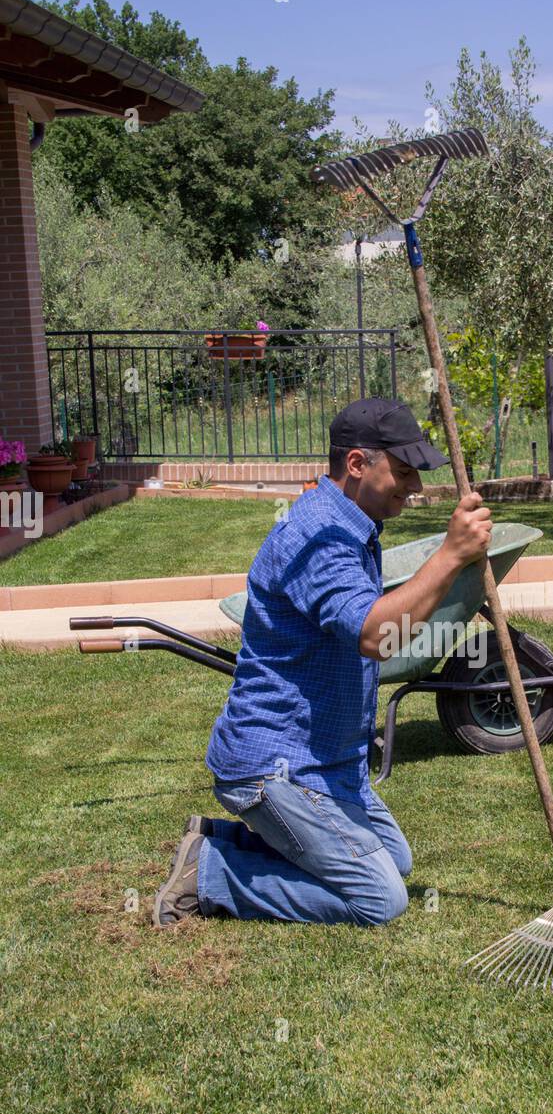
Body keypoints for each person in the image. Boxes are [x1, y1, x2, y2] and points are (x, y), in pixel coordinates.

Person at [152, 397, 492, 927]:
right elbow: (378, 637)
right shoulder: (318, 538)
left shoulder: (349, 523)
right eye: (403, 473)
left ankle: (222, 836)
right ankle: (211, 873)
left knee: (395, 860)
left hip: (327, 763)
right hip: (275, 768)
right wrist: (449, 556)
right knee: (381, 898)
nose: (416, 488)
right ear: (357, 464)